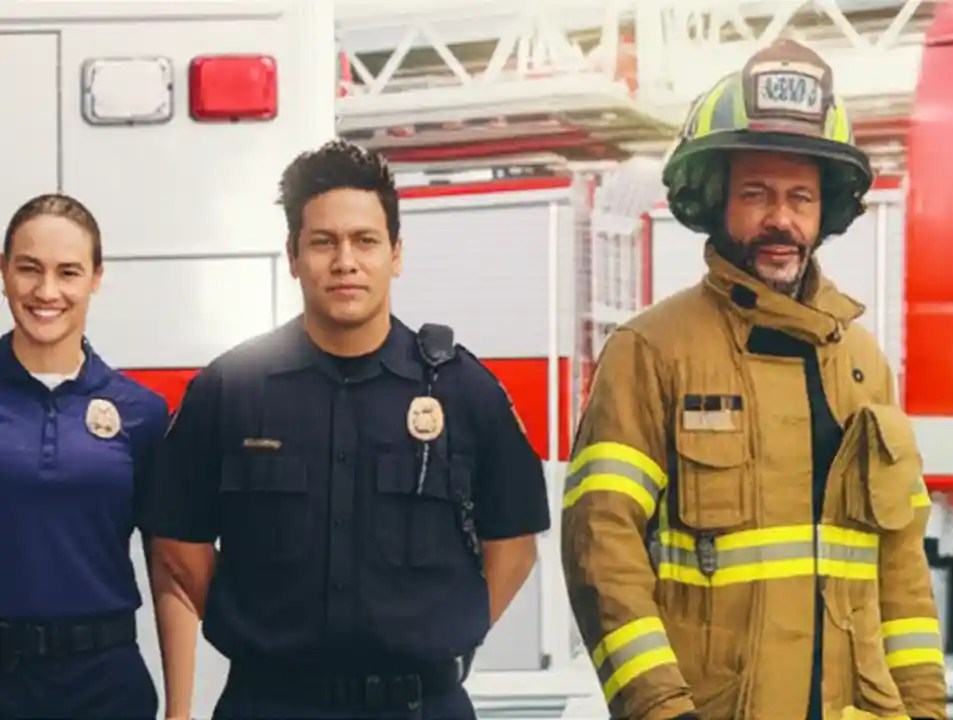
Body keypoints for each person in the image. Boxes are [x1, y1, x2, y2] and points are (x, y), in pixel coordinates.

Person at [560, 39, 946, 720]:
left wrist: (925, 711)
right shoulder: (650, 352)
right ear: (717, 202)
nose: (781, 218)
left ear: (824, 212)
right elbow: (602, 551)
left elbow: (902, 571)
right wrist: (659, 709)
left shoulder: (864, 365)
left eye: (800, 197)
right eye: (756, 194)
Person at [140, 140, 552, 720]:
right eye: (323, 242)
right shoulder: (230, 389)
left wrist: (446, 630)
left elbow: (514, 543)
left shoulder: (463, 392)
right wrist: (257, 634)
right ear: (292, 255)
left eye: (365, 240)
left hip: (420, 706)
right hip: (271, 703)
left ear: (396, 254)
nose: (345, 262)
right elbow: (177, 542)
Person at [0, 193, 197, 719]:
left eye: (68, 272)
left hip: (104, 687)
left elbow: (169, 566)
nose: (47, 291)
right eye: (29, 269)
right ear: (3, 272)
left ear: (96, 278)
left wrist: (180, 711)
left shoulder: (141, 412)